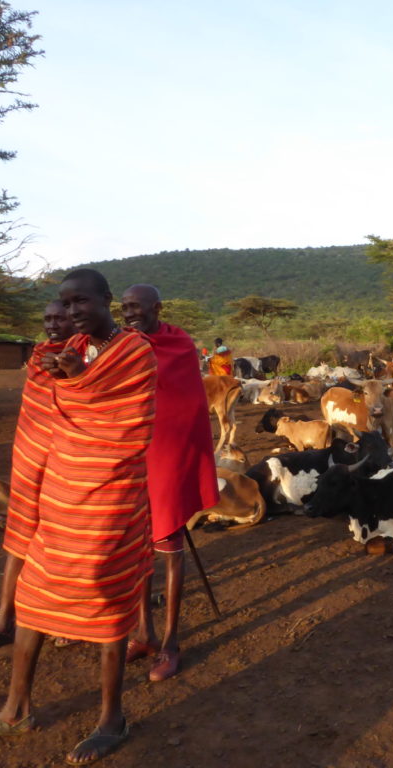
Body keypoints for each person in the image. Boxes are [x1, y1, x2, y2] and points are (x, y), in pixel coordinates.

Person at [0, 269, 158, 765]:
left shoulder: (133, 352)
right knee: (34, 590)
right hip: (62, 490)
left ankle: (112, 718)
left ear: (106, 299)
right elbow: (56, 405)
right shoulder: (76, 349)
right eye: (64, 305)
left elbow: (124, 418)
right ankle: (15, 708)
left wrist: (76, 381)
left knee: (104, 592)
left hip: (109, 491)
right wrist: (65, 374)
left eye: (80, 302)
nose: (70, 313)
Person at [0, 300, 76, 656]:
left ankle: (66, 619)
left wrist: (76, 373)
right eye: (47, 318)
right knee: (19, 539)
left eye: (60, 318)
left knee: (68, 543)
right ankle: (2, 622)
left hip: (70, 464)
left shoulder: (90, 359)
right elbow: (36, 412)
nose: (52, 324)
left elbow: (92, 407)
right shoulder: (39, 356)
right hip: (30, 460)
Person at [120, 284, 220, 681]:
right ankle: (144, 632)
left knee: (170, 550)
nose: (130, 314)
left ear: (157, 308)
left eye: (137, 307)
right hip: (135, 457)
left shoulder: (179, 343)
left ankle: (171, 643)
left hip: (171, 458)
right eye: (124, 308)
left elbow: (187, 404)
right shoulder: (122, 344)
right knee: (140, 552)